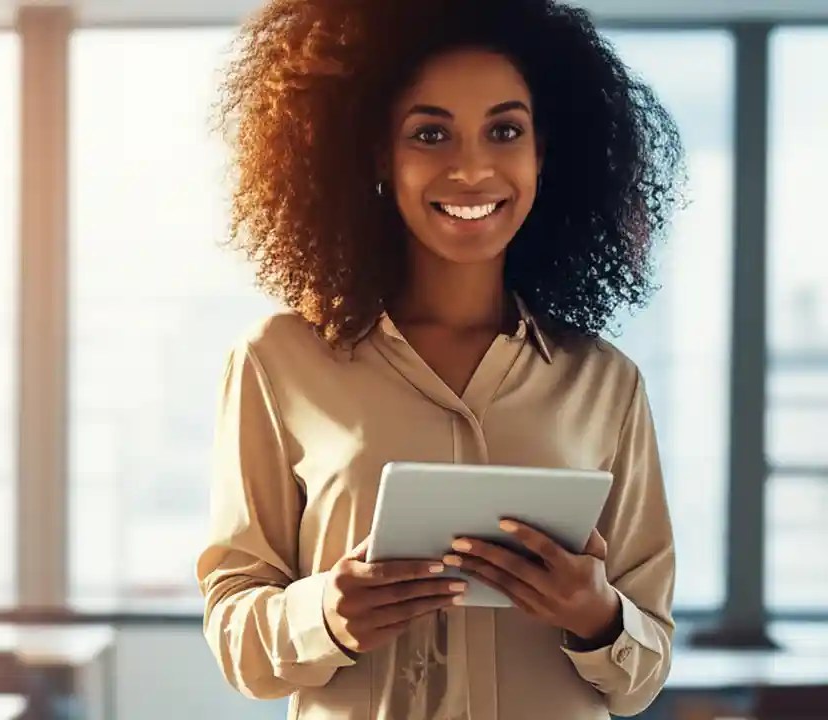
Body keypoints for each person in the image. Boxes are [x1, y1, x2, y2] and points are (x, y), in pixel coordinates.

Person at [195, 0, 682, 718]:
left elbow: (645, 672)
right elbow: (235, 629)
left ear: (543, 154)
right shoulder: (277, 363)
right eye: (430, 133)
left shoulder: (606, 383)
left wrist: (597, 615)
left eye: (504, 131)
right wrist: (325, 615)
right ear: (378, 156)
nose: (472, 167)